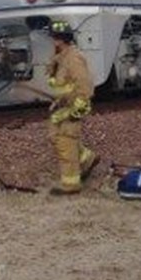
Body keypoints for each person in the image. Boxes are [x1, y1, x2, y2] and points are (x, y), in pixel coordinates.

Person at [45, 20, 99, 195]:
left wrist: (76, 111)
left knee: (65, 139)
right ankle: (86, 158)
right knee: (55, 135)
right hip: (63, 104)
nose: (52, 41)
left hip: (74, 106)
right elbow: (63, 86)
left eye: (54, 37)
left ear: (60, 39)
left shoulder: (73, 58)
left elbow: (85, 86)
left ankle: (71, 183)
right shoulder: (62, 57)